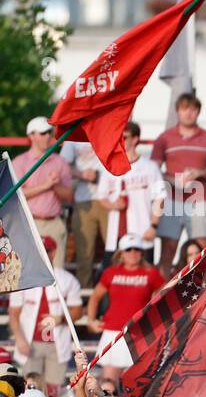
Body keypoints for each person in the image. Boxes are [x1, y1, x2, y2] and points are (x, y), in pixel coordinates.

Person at [151, 92, 206, 274]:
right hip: (171, 200)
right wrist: (172, 180)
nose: (189, 113)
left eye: (193, 109)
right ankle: (162, 295)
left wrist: (200, 172)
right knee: (168, 248)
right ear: (178, 112)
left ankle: (203, 294)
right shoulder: (164, 138)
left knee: (203, 248)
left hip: (198, 200)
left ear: (198, 112)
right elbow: (153, 170)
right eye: (184, 109)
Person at [83, 235, 166, 381]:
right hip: (113, 333)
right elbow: (95, 298)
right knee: (108, 383)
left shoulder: (151, 274)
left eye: (137, 249)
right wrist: (91, 320)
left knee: (137, 382)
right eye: (129, 249)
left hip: (139, 334)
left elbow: (164, 299)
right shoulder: (111, 273)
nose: (133, 253)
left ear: (142, 252)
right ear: (121, 253)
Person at [9, 236, 82, 397]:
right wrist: (19, 339)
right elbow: (14, 313)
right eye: (39, 250)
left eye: (46, 250)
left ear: (54, 252)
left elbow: (77, 310)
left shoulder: (67, 279)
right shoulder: (22, 278)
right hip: (30, 342)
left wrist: (60, 319)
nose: (42, 254)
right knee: (30, 387)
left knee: (53, 391)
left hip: (56, 344)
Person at [92, 121, 166, 257]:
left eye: (124, 137)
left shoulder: (149, 167)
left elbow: (160, 198)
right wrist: (114, 205)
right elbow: (101, 197)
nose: (120, 141)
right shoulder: (109, 167)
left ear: (135, 139)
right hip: (116, 233)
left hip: (142, 231)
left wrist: (154, 226)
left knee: (144, 274)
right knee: (112, 272)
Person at [13, 116, 73, 267]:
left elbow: (69, 196)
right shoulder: (20, 162)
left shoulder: (60, 161)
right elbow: (15, 195)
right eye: (43, 133)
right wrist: (46, 185)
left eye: (49, 132)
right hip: (29, 223)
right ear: (31, 136)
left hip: (54, 222)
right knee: (27, 268)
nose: (48, 136)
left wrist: (55, 186)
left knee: (57, 271)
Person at [63, 138, 110, 289]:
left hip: (110, 199)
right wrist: (81, 174)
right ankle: (83, 297)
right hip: (83, 199)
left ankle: (114, 293)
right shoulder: (74, 136)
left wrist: (100, 176)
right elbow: (62, 165)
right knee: (84, 253)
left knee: (115, 250)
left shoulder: (108, 131)